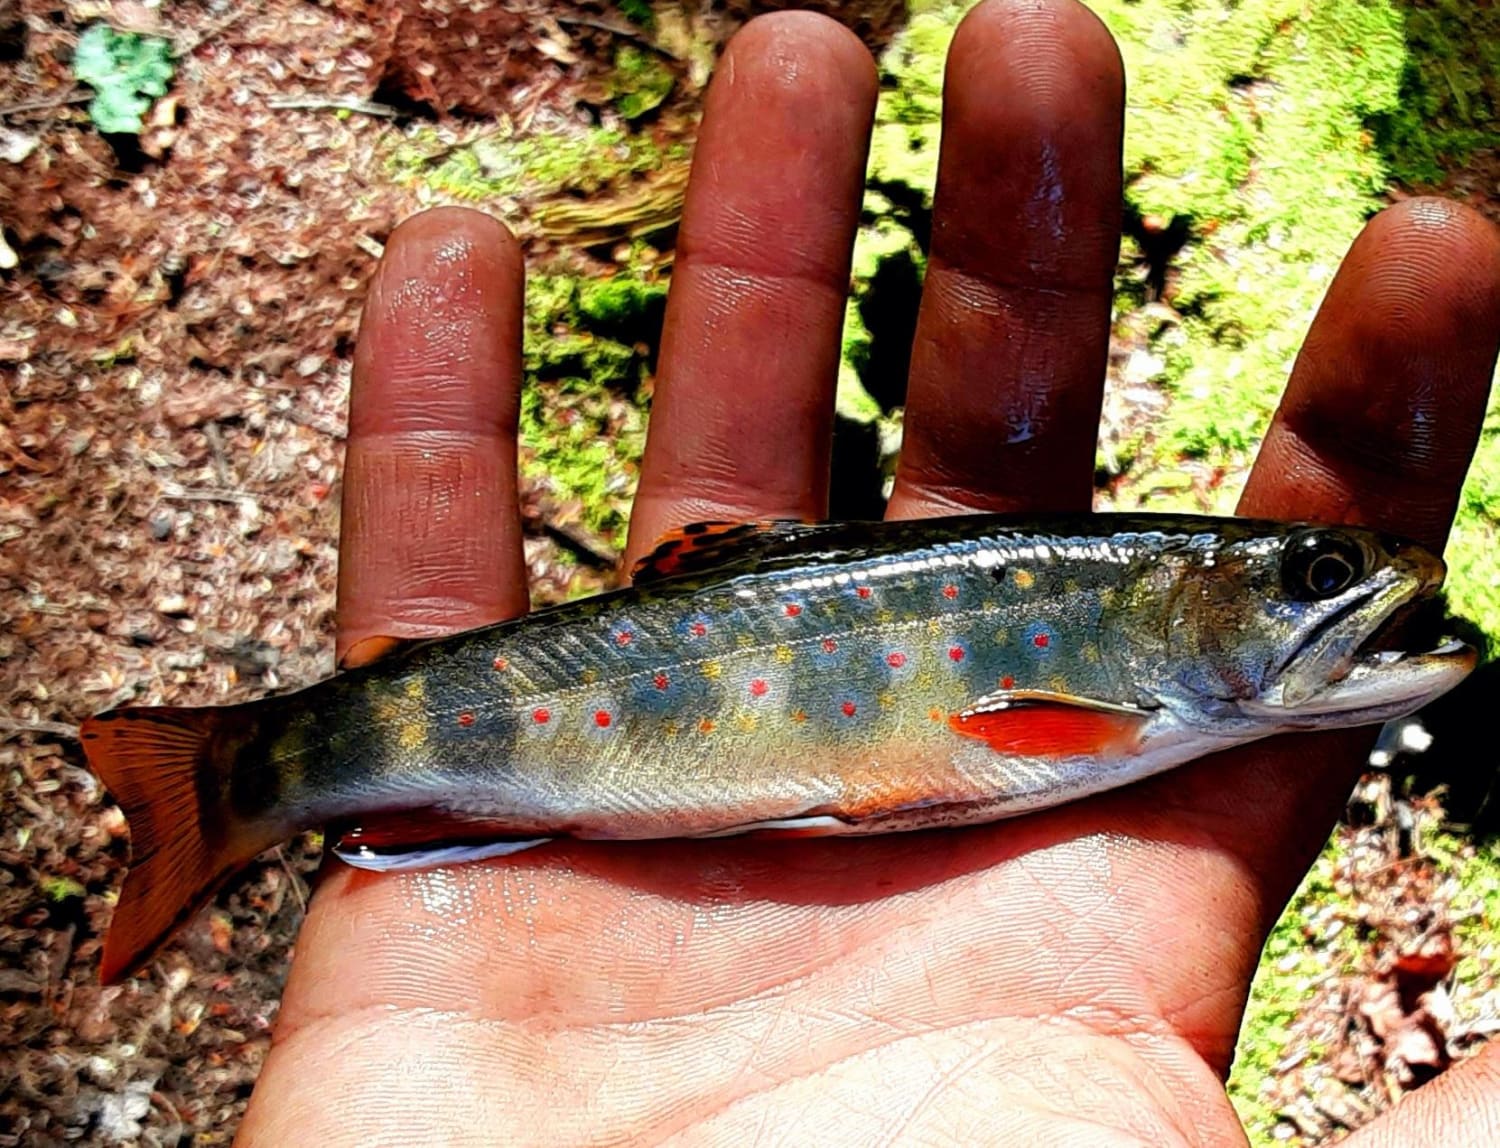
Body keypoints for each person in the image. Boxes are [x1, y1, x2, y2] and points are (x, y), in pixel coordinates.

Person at [235, 2, 1500, 1142]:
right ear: (1172, 597)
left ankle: (260, 771)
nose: (1365, 581)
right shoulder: (1115, 692)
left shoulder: (1145, 695)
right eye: (1318, 567)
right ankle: (241, 772)